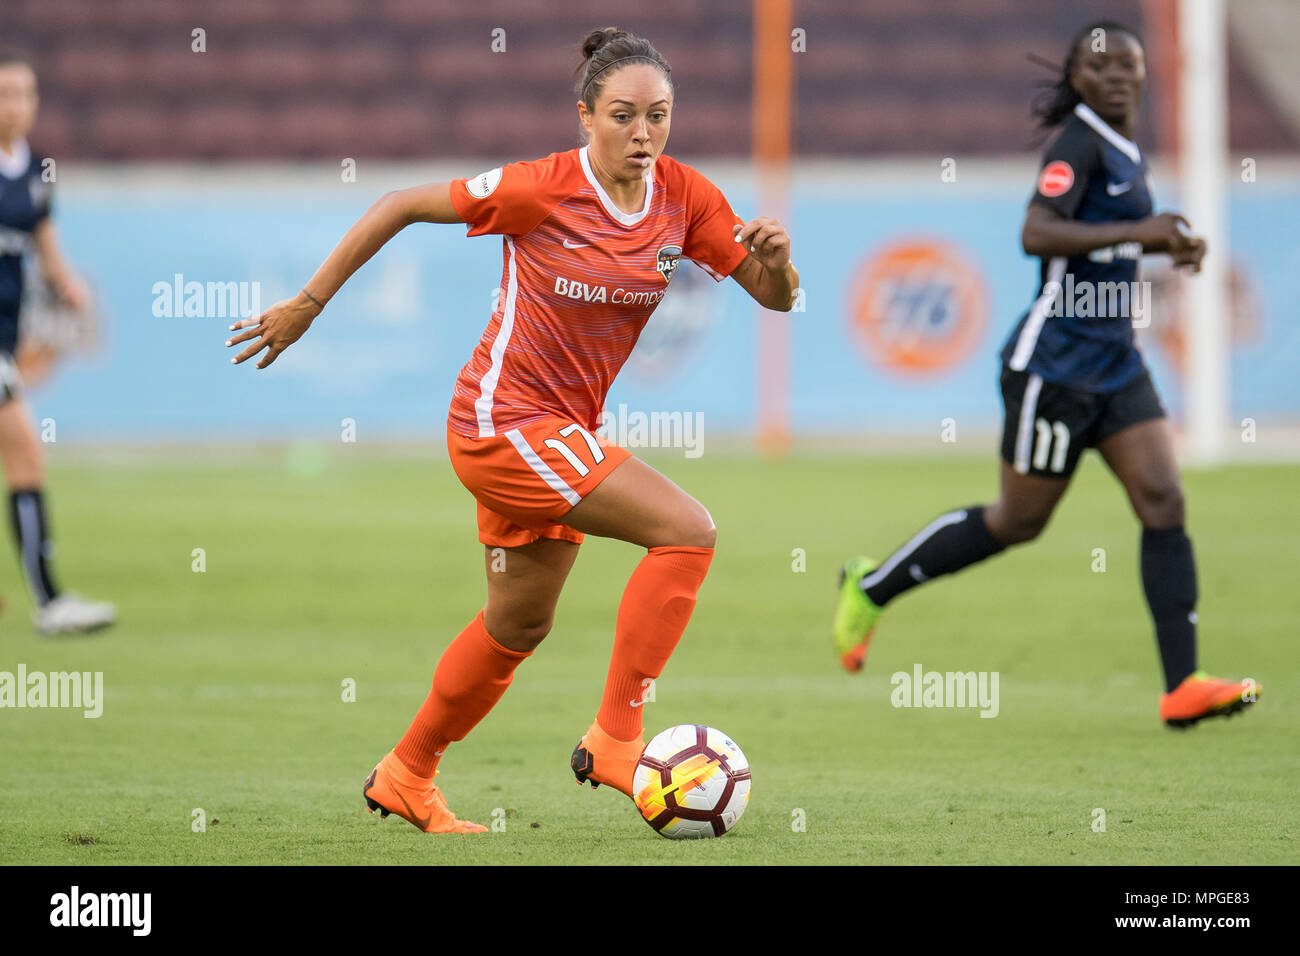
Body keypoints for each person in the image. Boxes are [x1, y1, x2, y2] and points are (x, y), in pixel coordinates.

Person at [228, 27, 798, 831]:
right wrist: (308, 304)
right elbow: (398, 204)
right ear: (585, 117)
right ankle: (616, 739)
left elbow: (774, 297)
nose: (643, 134)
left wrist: (777, 262)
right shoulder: (539, 189)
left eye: (659, 117)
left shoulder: (687, 199)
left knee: (519, 623)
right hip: (503, 424)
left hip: (560, 431)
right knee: (687, 532)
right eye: (624, 116)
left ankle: (405, 772)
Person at [832, 21, 1259, 729]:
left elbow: (1111, 245)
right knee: (1018, 521)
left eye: (1131, 65)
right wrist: (1139, 233)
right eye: (1103, 66)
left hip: (1116, 364)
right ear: (1078, 78)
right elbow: (1038, 232)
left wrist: (1168, 244)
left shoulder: (1124, 147)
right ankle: (870, 587)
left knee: (1163, 498)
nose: (1119, 75)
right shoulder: (1078, 142)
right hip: (1054, 369)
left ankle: (1183, 684)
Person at [0, 51, 116, 635]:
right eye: (5, 94)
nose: (16, 106)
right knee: (23, 449)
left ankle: (48, 601)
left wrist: (66, 284)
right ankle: (49, 603)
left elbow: (43, 239)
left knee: (20, 454)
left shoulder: (35, 168)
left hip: (5, 337)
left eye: (25, 93)